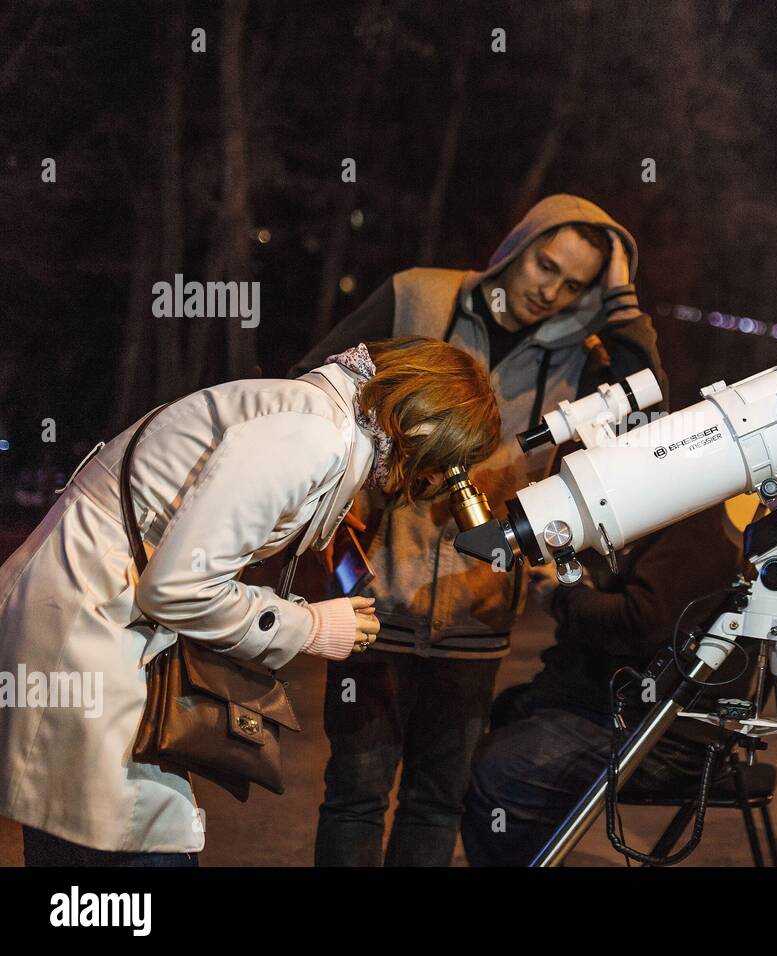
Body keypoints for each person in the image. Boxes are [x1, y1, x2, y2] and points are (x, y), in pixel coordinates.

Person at [0, 338, 500, 865]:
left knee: (91, 843)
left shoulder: (317, 419)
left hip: (92, 621)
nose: (443, 479)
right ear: (422, 426)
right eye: (451, 460)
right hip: (84, 628)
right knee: (131, 844)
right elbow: (179, 587)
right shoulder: (311, 436)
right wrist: (309, 627)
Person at [293, 194, 668, 866]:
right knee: (355, 793)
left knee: (437, 802)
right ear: (515, 246)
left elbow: (647, 407)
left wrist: (622, 299)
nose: (549, 291)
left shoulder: (579, 358)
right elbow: (309, 390)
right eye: (543, 265)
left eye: (575, 284)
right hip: (374, 598)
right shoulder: (417, 298)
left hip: (478, 612)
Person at [460, 505, 744, 866]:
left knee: (497, 771)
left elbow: (639, 624)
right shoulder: (665, 514)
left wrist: (565, 595)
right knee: (506, 714)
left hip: (663, 735)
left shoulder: (691, 521)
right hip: (620, 707)